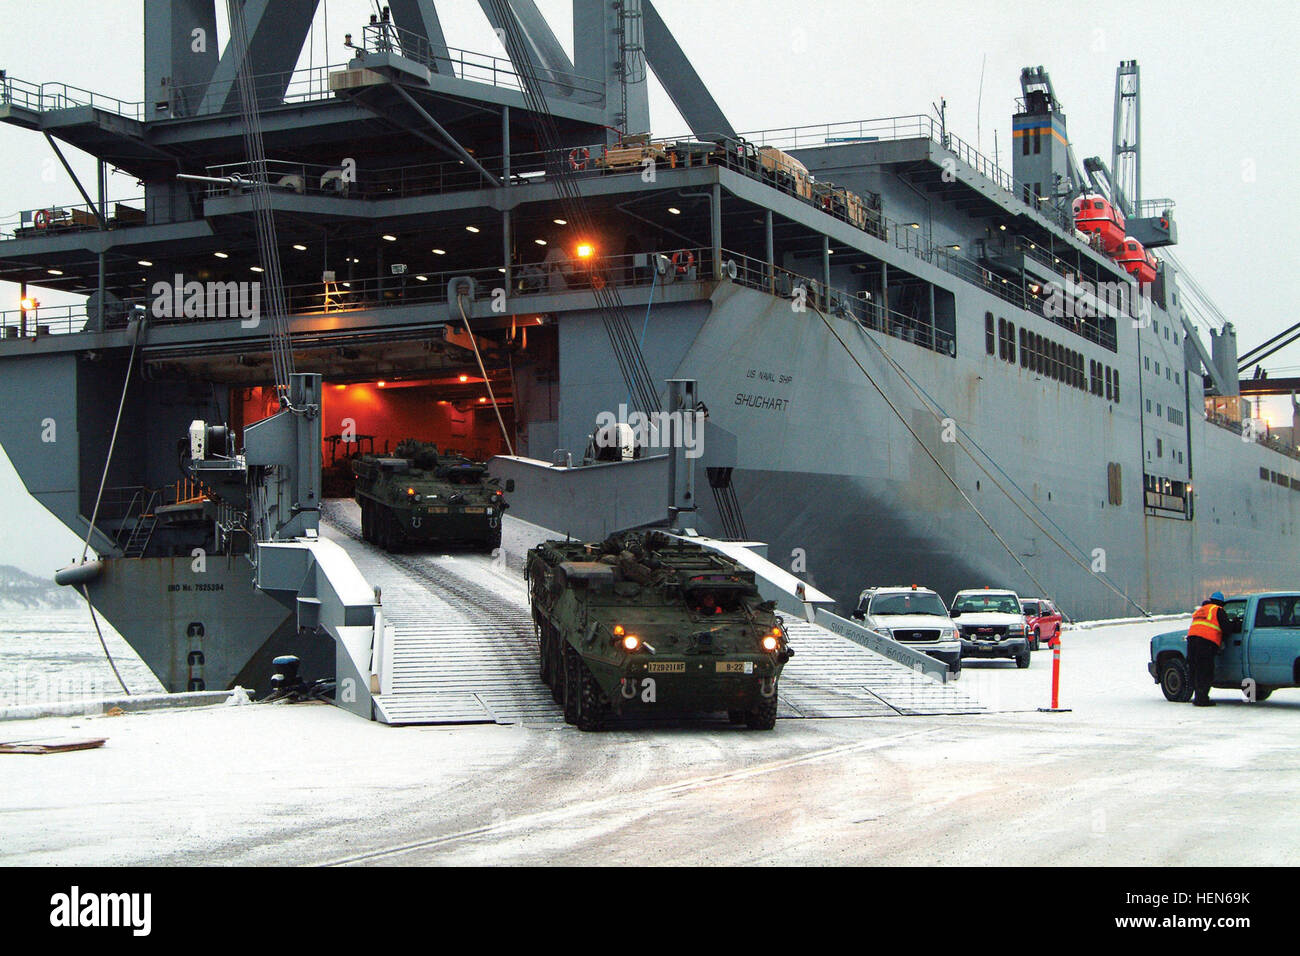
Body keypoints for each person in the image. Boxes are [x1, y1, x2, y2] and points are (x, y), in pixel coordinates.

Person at [1186, 591, 1227, 707]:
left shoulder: (1201, 610)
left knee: (1195, 669)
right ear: (1221, 603)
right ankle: (1202, 699)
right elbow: (1227, 628)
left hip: (1192, 641)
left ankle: (1197, 696)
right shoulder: (1218, 610)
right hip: (1206, 643)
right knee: (1205, 671)